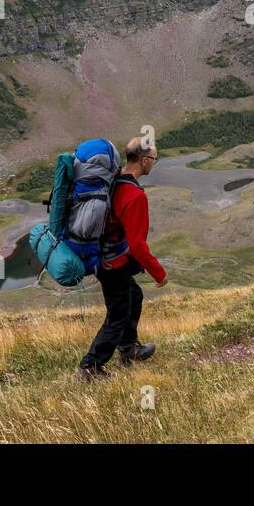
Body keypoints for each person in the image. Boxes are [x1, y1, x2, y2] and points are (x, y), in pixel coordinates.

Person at [76, 136, 167, 379]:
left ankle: (129, 348)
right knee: (117, 314)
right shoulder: (135, 195)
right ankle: (91, 367)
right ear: (144, 160)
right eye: (154, 159)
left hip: (104, 258)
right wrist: (158, 272)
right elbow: (137, 244)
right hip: (113, 264)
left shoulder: (113, 181)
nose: (154, 163)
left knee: (133, 295)